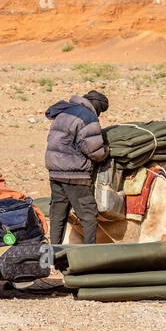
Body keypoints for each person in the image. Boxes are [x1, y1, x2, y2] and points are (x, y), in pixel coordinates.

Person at [44, 89, 110, 245]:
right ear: (97, 106)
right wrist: (107, 151)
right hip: (74, 174)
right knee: (88, 216)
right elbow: (95, 151)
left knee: (58, 214)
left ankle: (53, 256)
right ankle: (88, 257)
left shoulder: (65, 111)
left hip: (55, 170)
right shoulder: (88, 117)